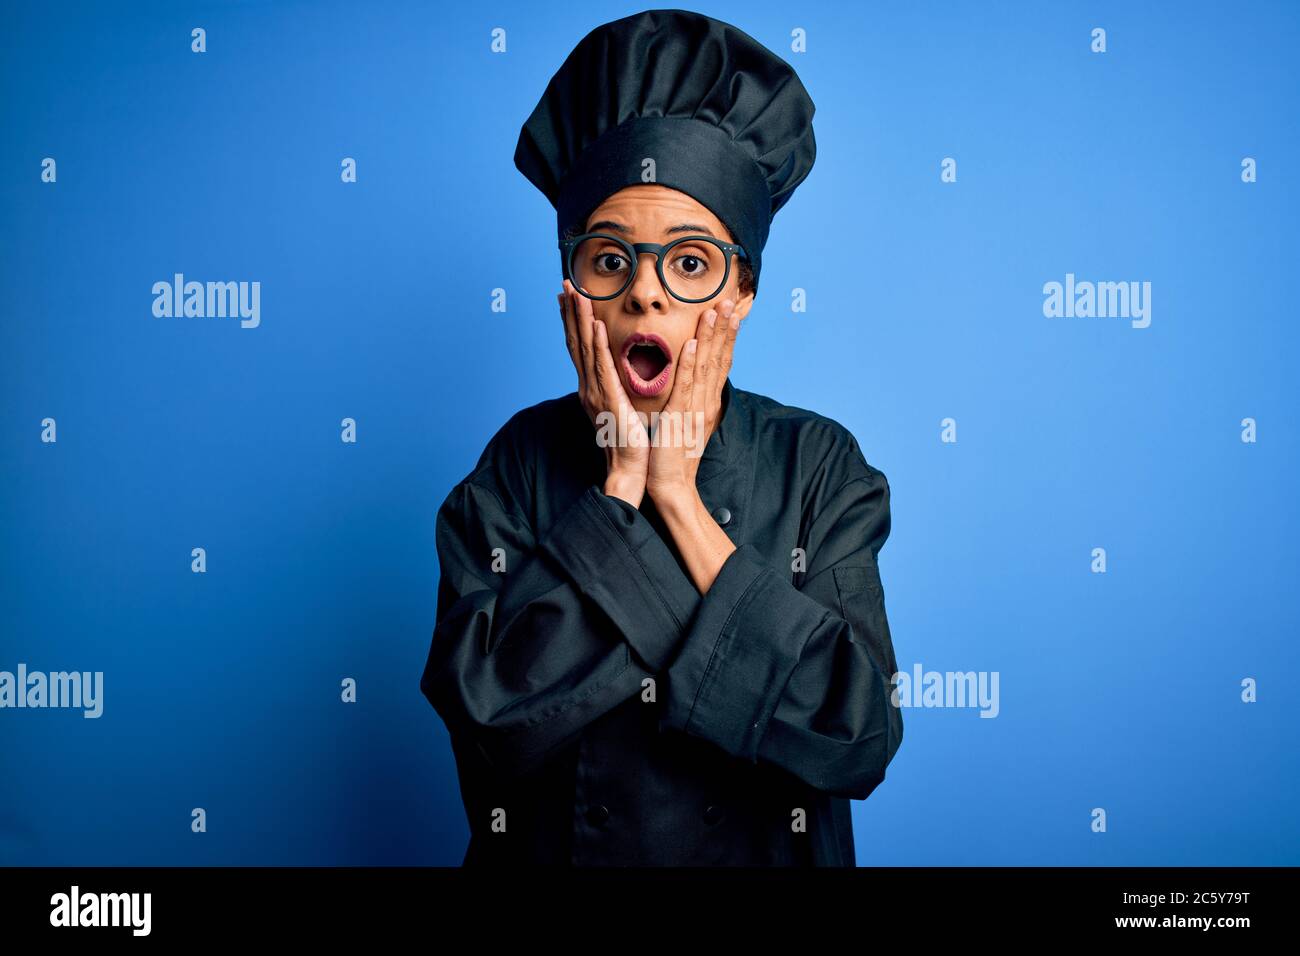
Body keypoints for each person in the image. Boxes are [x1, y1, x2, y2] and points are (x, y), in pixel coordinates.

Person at [420, 8, 903, 866]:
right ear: (575, 295)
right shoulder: (514, 469)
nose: (646, 294)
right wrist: (619, 489)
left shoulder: (822, 467)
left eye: (689, 262)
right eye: (610, 260)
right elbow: (489, 722)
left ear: (741, 294)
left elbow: (855, 732)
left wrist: (676, 498)